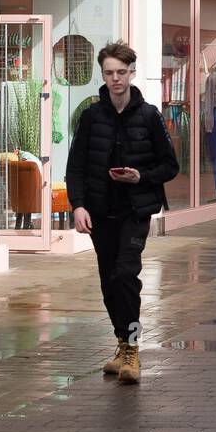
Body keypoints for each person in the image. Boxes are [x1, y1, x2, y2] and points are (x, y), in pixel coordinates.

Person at [68, 42, 180, 385]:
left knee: (125, 274)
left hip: (135, 210)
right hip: (101, 212)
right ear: (102, 75)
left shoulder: (148, 115)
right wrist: (78, 205)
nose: (115, 79)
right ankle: (121, 344)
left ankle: (132, 350)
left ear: (131, 73)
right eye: (109, 73)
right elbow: (76, 167)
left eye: (121, 72)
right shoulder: (91, 116)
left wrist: (140, 177)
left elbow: (170, 166)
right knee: (108, 282)